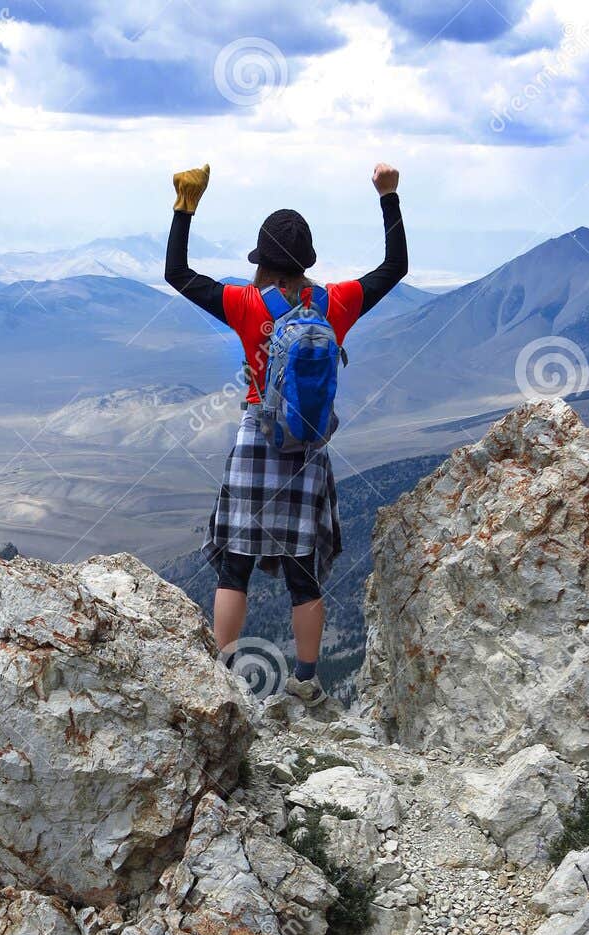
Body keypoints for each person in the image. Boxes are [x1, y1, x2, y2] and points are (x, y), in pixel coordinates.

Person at [165, 161, 408, 704]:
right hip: (307, 447)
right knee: (304, 574)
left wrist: (186, 205)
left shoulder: (247, 304)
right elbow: (396, 267)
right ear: (308, 259)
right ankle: (305, 682)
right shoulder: (335, 303)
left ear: (263, 260)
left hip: (257, 438)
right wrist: (388, 196)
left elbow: (177, 274)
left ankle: (223, 678)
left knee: (235, 566)